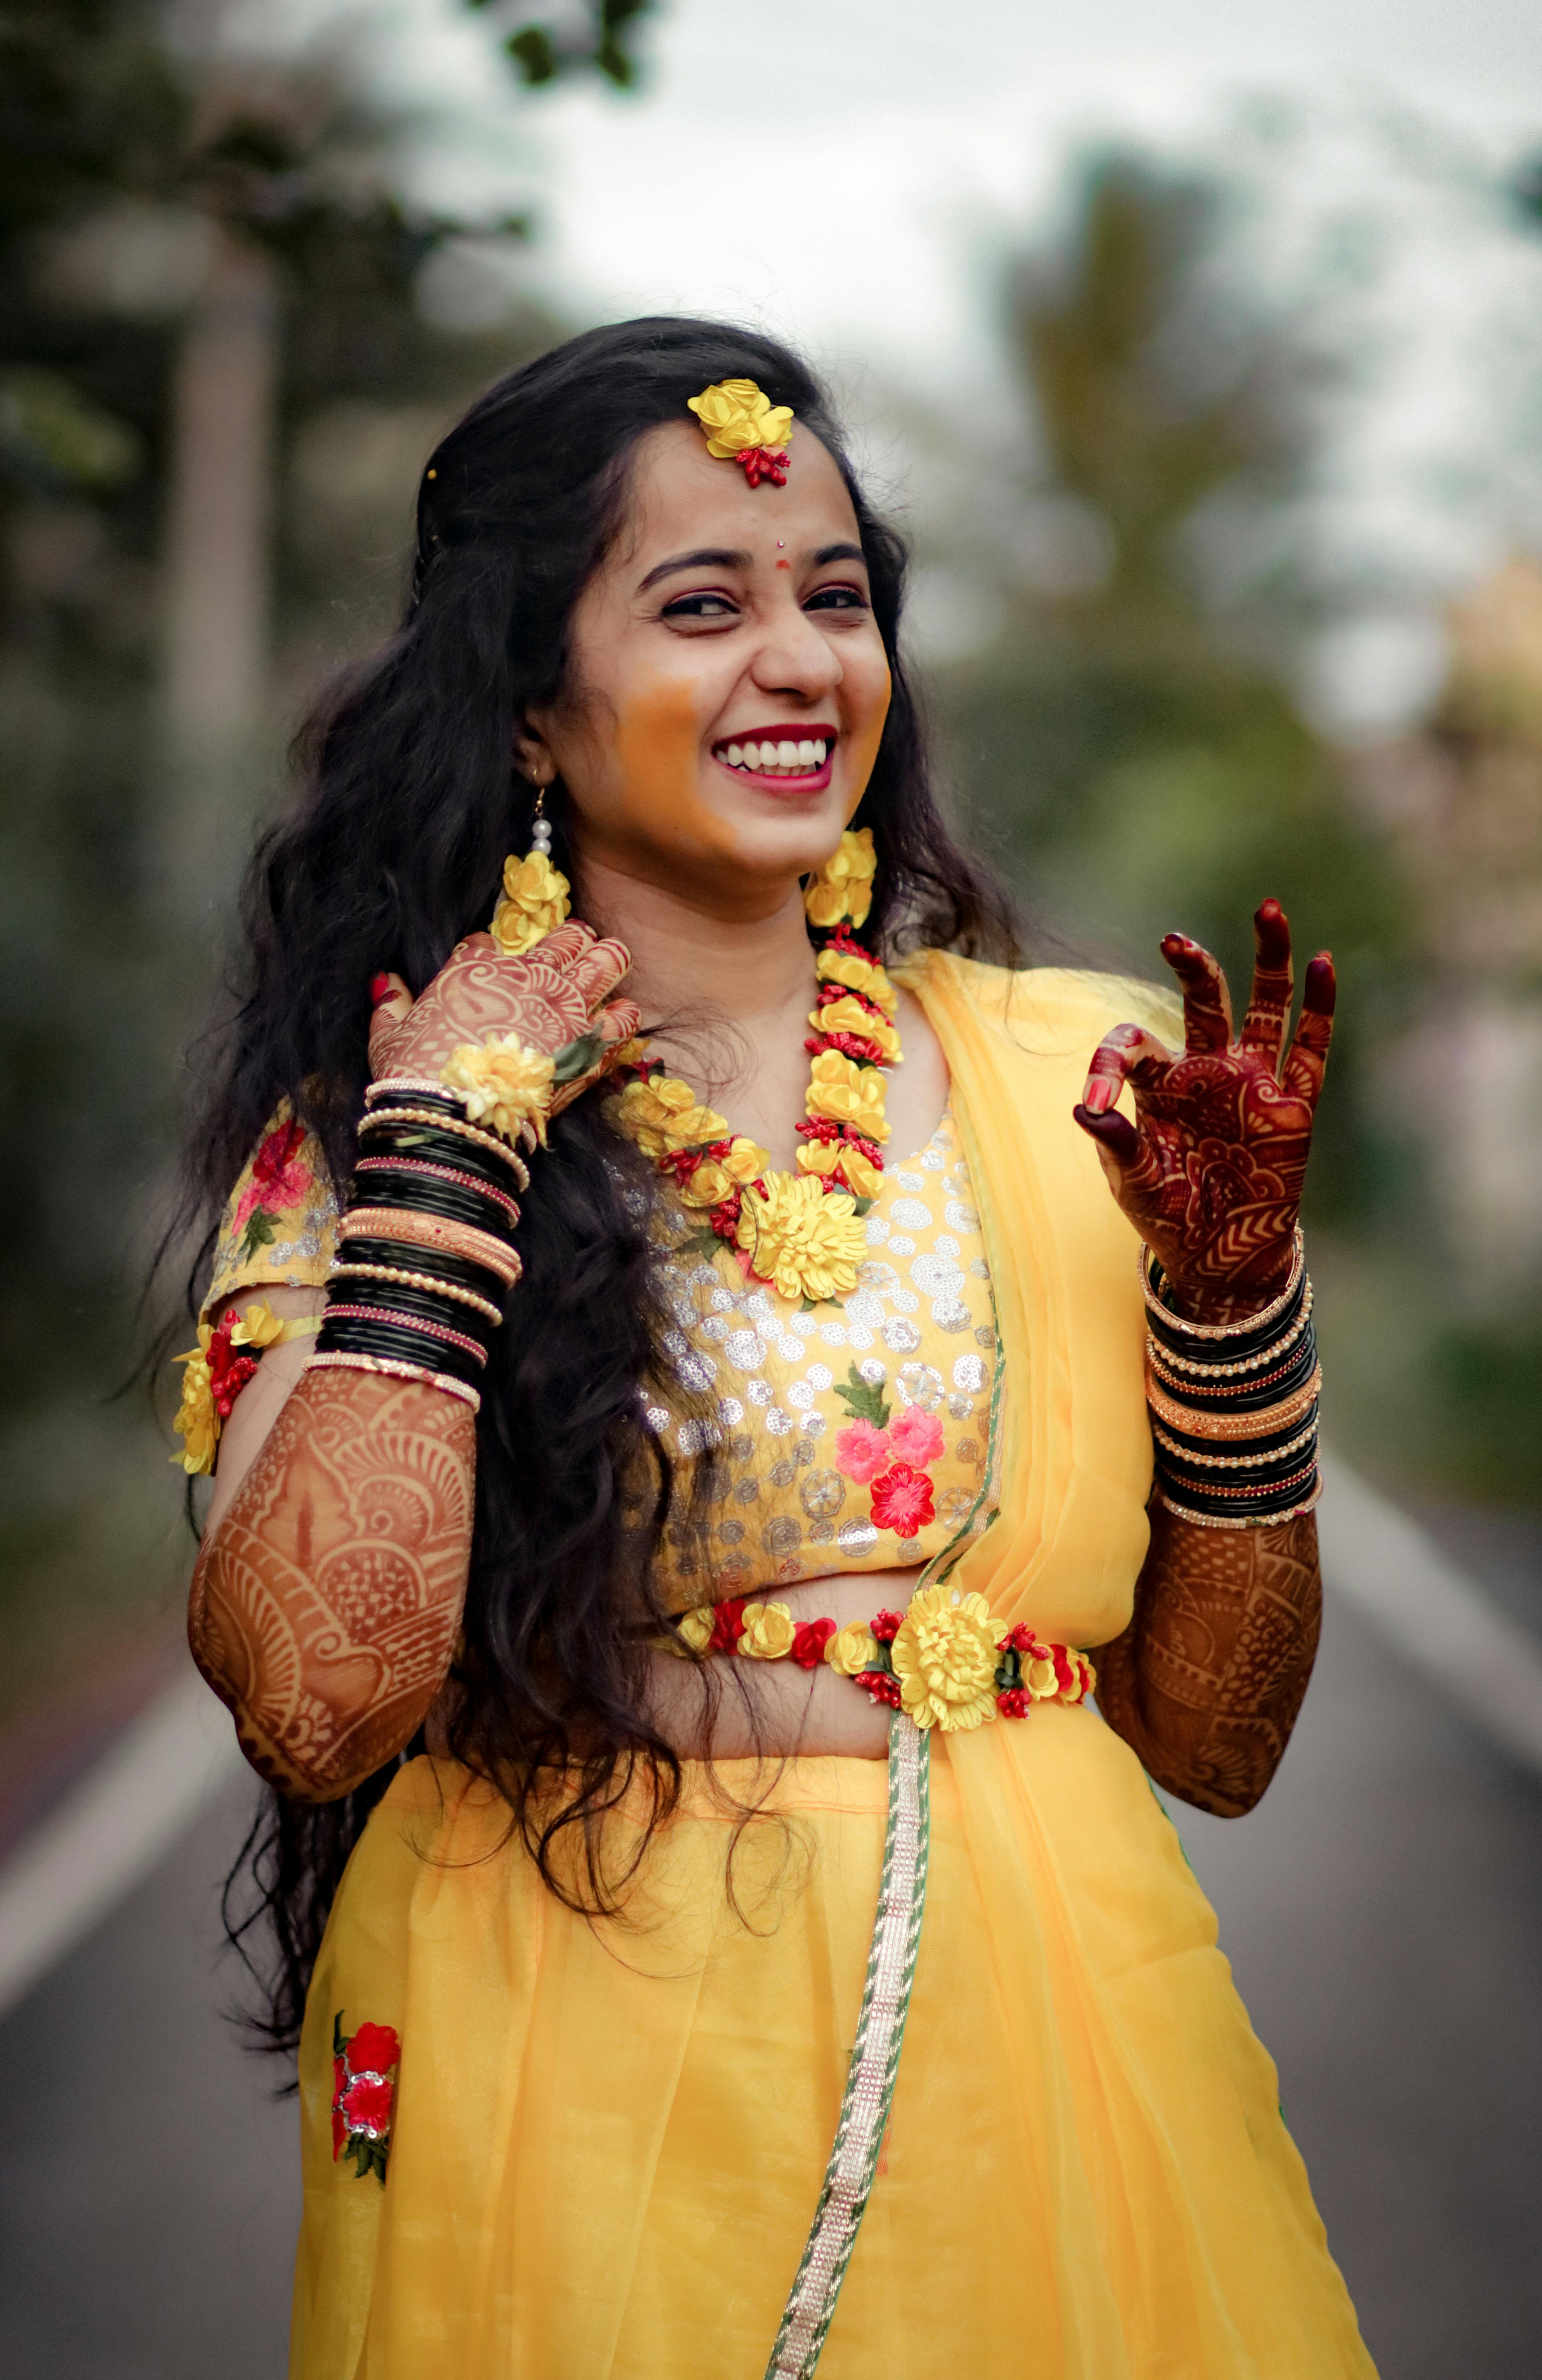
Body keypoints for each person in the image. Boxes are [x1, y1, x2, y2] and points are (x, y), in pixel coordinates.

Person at [176, 318, 1373, 2377]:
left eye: (836, 597)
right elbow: (313, 1701)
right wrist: (450, 1163)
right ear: (531, 707)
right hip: (572, 2075)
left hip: (1058, 2054)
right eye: (703, 606)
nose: (801, 662)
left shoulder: (1082, 1081)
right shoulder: (392, 1112)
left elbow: (1217, 1742)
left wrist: (1230, 1310)